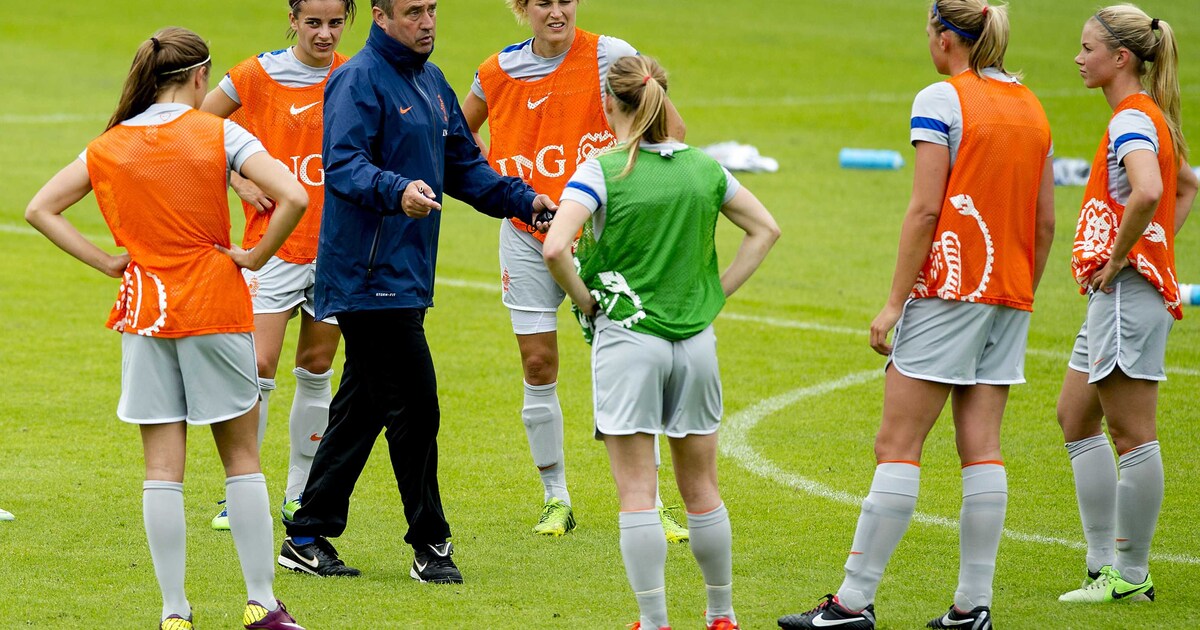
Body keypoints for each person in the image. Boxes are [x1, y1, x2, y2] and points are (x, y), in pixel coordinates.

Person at [777, 2, 1055, 629]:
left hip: (950, 288)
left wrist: (895, 301)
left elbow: (926, 210)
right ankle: (972, 608)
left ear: (945, 38)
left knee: (897, 444)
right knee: (982, 447)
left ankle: (851, 603)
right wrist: (1015, 291)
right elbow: (1044, 223)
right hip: (1009, 292)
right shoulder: (1034, 106)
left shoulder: (940, 99)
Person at [24, 27, 310, 630]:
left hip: (143, 312)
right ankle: (261, 604)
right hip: (213, 305)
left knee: (161, 469)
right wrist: (255, 258)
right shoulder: (218, 131)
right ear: (200, 77)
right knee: (242, 459)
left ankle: (174, 613)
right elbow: (293, 196)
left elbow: (40, 208)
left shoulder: (108, 145)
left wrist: (107, 262)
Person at [277, 0, 557, 584]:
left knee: (364, 406)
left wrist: (522, 200)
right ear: (380, 16)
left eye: (431, 9)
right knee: (416, 407)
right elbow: (343, 165)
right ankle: (431, 542)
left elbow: (463, 165)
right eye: (412, 12)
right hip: (366, 276)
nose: (427, 22)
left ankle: (306, 533)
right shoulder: (356, 80)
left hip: (406, 275)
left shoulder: (430, 80)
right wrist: (397, 188)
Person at [543, 54, 779, 630]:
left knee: (638, 491)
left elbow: (554, 248)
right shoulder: (705, 168)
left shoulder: (601, 171)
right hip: (696, 344)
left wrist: (585, 301)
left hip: (629, 341)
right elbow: (765, 229)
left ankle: (653, 622)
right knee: (701, 488)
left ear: (609, 104)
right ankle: (721, 614)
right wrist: (714, 294)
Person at [463, 0, 690, 539]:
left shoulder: (608, 54)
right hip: (527, 235)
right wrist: (498, 182)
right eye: (542, 1)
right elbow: (456, 136)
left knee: (634, 364)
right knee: (539, 365)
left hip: (603, 239)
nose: (556, 11)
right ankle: (555, 498)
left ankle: (652, 501)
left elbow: (671, 129)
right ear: (522, 7)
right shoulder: (496, 71)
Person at [1056, 4, 1197, 605]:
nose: (1078, 58)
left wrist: (1122, 256)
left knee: (1131, 433)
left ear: (1121, 58)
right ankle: (1099, 565)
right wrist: (1158, 243)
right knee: (1074, 415)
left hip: (1124, 293)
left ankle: (1129, 575)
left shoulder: (1132, 121)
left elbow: (1151, 190)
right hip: (1119, 293)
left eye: (1088, 48)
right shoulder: (1147, 115)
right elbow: (1185, 187)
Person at [200, 0, 356, 532]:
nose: (324, 33)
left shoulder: (352, 77)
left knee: (316, 367)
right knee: (258, 367)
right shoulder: (254, 75)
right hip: (269, 246)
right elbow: (195, 128)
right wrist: (237, 178)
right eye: (313, 22)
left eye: (335, 23)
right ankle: (238, 494)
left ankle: (298, 494)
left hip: (336, 249)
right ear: (293, 19)